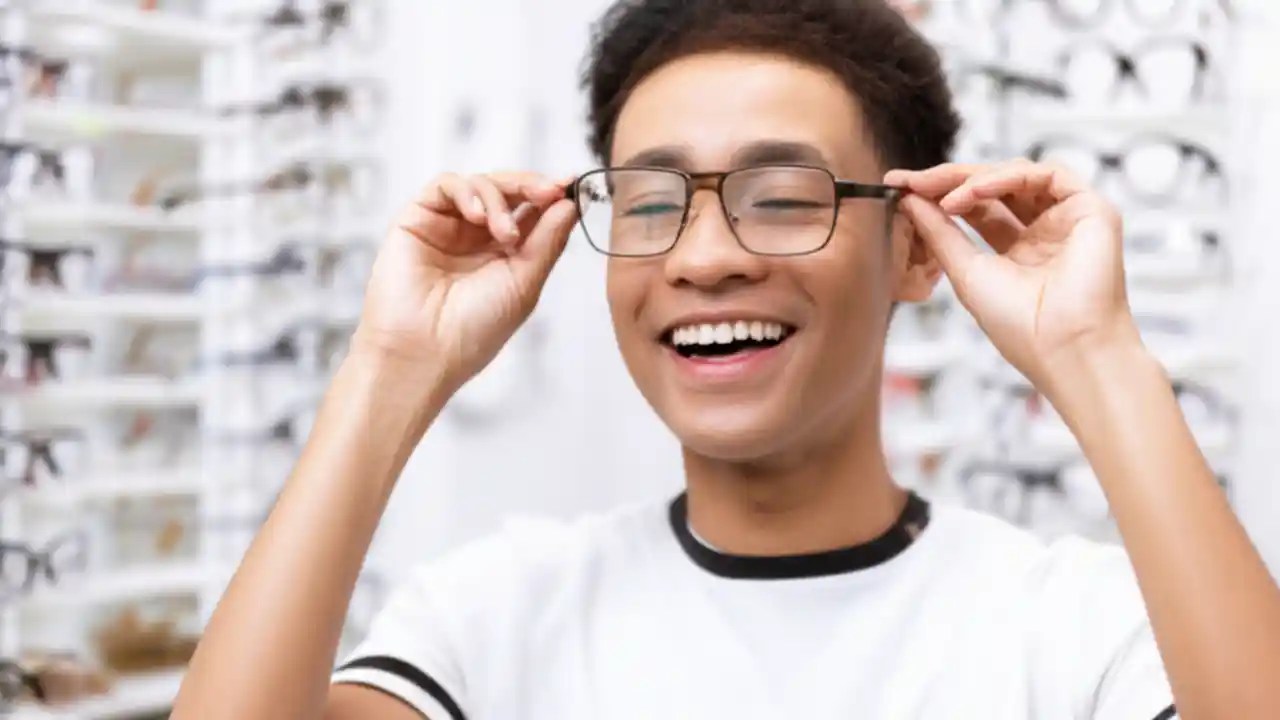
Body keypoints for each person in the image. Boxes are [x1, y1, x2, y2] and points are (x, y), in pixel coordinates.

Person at [171, 1, 1280, 718]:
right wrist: (389, 368)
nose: (702, 258)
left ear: (914, 249)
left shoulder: (1075, 631)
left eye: (781, 199)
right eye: (649, 202)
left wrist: (1093, 356)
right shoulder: (496, 615)